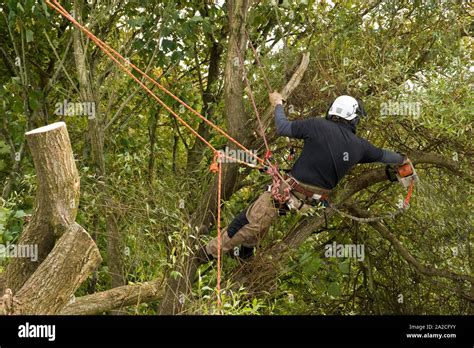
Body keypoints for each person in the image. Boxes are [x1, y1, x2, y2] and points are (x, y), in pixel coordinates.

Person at [197, 92, 408, 263]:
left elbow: (283, 127)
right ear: (352, 117)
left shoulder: (318, 125)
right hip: (310, 203)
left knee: (246, 221)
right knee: (262, 216)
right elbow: (384, 155)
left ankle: (206, 253)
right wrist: (403, 160)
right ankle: (246, 254)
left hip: (290, 193)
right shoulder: (361, 146)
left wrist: (278, 104)